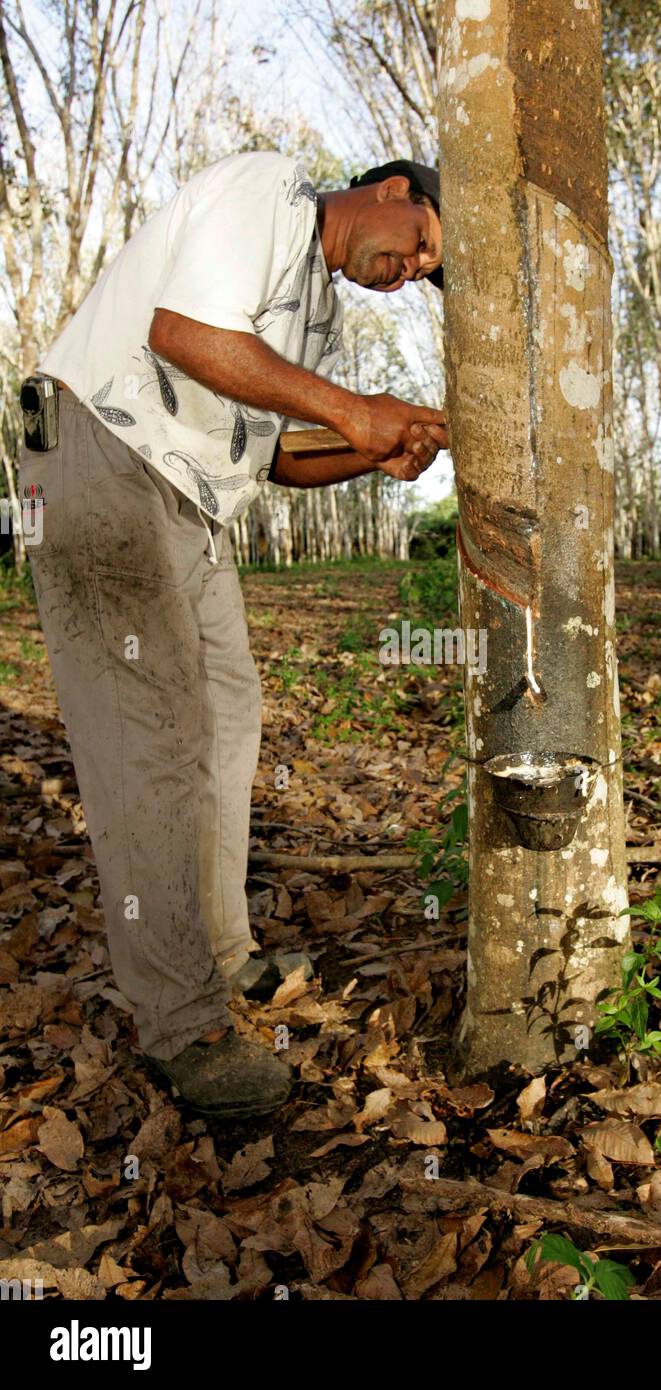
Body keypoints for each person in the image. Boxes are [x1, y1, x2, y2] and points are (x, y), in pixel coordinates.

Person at [19, 153, 448, 1118]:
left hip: (190, 503)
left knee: (225, 710)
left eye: (426, 270)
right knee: (155, 735)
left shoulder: (314, 308)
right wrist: (354, 410)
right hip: (101, 457)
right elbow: (182, 335)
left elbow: (278, 457)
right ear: (389, 192)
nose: (414, 266)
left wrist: (376, 449)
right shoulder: (272, 191)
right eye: (421, 242)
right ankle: (184, 1027)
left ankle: (219, 950)